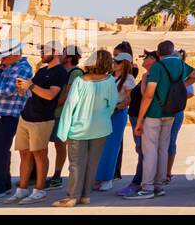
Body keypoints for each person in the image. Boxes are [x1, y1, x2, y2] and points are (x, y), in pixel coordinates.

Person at [126, 39, 195, 200]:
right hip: (170, 113)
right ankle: (159, 185)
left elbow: (149, 94)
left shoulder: (158, 67)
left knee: (149, 150)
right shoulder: (180, 64)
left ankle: (147, 188)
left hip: (153, 114)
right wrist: (181, 85)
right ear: (172, 51)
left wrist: (139, 120)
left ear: (158, 53)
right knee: (163, 149)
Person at [53, 49, 119, 208]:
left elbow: (69, 106)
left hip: (79, 129)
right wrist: (102, 117)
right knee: (92, 162)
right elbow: (112, 105)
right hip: (101, 128)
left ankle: (72, 197)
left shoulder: (80, 81)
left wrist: (63, 131)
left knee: (76, 163)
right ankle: (85, 196)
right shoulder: (110, 80)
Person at [6, 44, 67, 204]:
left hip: (42, 119)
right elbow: (29, 91)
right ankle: (22, 189)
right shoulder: (42, 70)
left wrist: (30, 86)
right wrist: (22, 88)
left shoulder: (60, 72)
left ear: (56, 53)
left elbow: (50, 95)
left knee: (40, 155)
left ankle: (40, 190)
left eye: (44, 50)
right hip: (26, 116)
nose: (41, 53)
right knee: (24, 153)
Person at [0, 41, 33, 198]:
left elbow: (8, 90)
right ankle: (4, 184)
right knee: (0, 151)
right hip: (0, 114)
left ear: (14, 54)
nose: (1, 60)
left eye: (4, 57)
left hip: (7, 115)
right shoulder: (10, 67)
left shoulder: (22, 68)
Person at [116, 50, 157, 197]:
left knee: (143, 151)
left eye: (146, 57)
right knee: (142, 150)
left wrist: (140, 120)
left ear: (153, 59)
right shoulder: (147, 75)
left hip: (142, 118)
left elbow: (147, 95)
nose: (143, 59)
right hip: (136, 117)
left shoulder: (151, 76)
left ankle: (139, 182)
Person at [94, 51, 135, 192]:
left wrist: (116, 107)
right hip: (105, 114)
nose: (114, 64)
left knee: (111, 146)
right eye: (113, 61)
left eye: (117, 62)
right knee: (101, 146)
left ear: (124, 64)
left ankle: (108, 178)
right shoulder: (109, 77)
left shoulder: (129, 79)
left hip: (117, 114)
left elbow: (129, 99)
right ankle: (98, 177)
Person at [47, 44, 83, 189]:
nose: (60, 55)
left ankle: (57, 176)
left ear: (68, 57)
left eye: (62, 53)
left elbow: (66, 96)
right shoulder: (62, 70)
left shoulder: (75, 73)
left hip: (63, 114)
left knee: (61, 145)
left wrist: (49, 102)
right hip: (55, 112)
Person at [165, 49, 195, 181]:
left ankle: (167, 172)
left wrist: (176, 94)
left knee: (171, 140)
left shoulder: (183, 75)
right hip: (164, 111)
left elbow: (190, 92)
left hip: (176, 111)